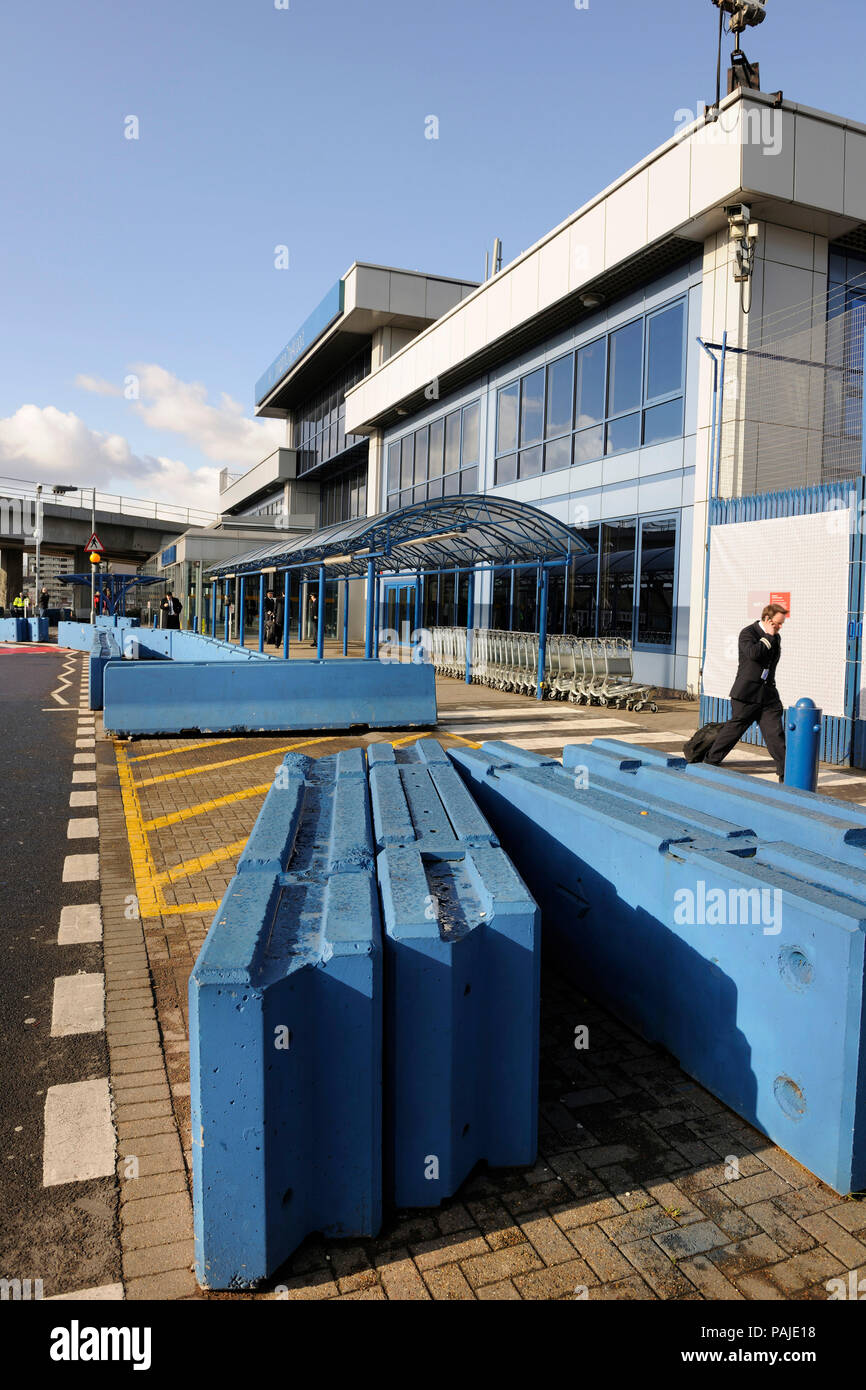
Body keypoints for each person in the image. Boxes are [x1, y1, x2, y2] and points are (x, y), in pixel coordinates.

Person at [704, 602, 788, 780]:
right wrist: (768, 636)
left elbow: (771, 664)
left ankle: (785, 773)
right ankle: (710, 762)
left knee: (775, 734)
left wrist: (772, 636)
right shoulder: (748, 633)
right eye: (777, 623)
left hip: (767, 695)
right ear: (767, 619)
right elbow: (754, 654)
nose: (780, 627)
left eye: (782, 624)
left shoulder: (776, 637)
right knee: (734, 730)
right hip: (746, 694)